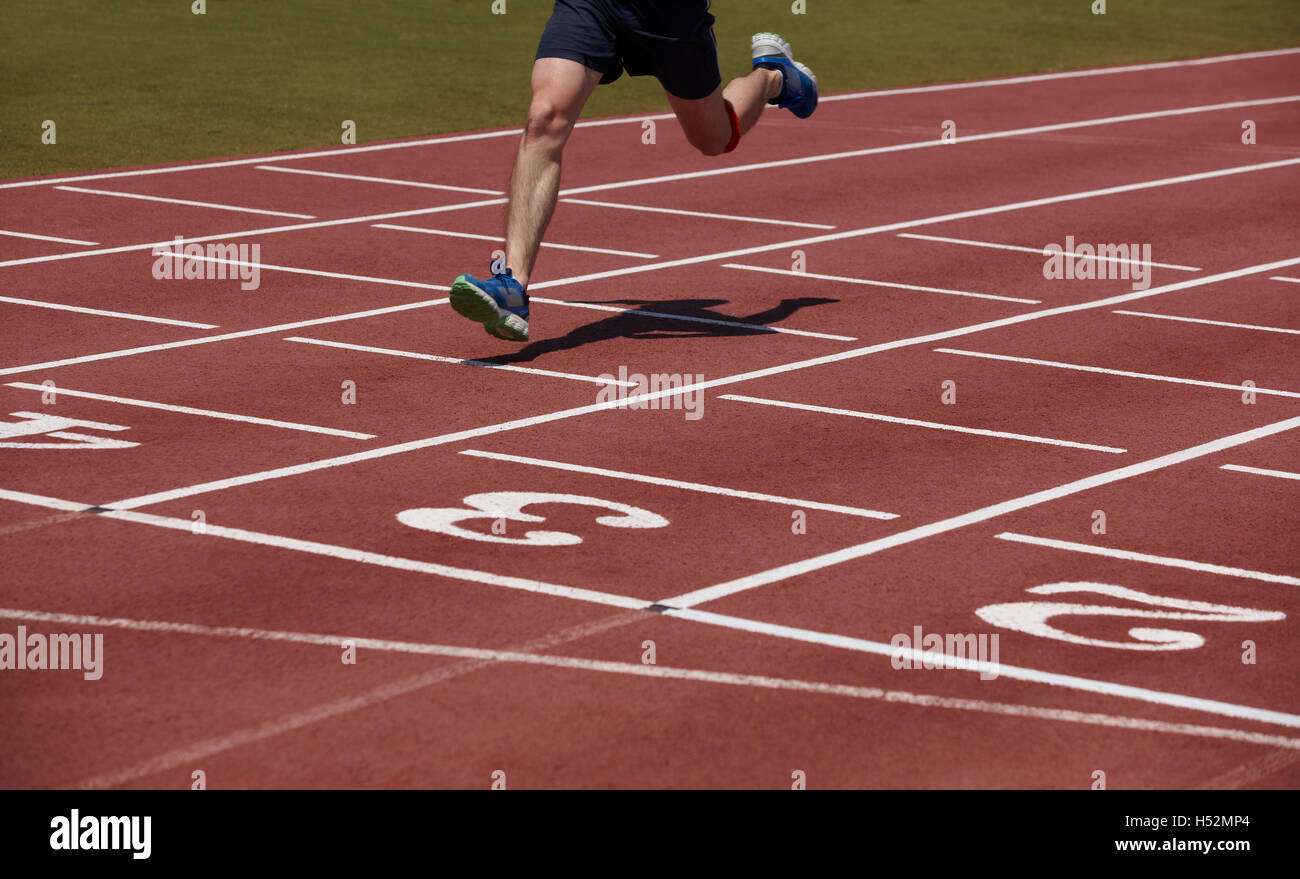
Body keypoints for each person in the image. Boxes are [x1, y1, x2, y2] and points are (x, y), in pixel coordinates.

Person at [449, 1, 819, 342]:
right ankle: (513, 287)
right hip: (592, 5)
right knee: (544, 118)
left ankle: (775, 76)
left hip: (671, 14)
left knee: (713, 137)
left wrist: (791, 306)